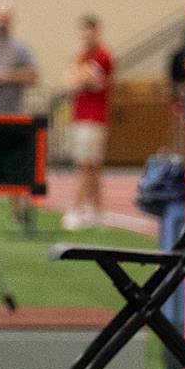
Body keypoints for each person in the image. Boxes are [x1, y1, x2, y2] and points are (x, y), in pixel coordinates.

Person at [62, 15, 114, 230]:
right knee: (90, 165)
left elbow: (85, 79)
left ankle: (77, 208)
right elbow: (68, 82)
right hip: (80, 115)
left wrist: (78, 73)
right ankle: (97, 210)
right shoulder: (81, 56)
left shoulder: (102, 56)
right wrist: (77, 74)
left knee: (86, 164)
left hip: (94, 118)